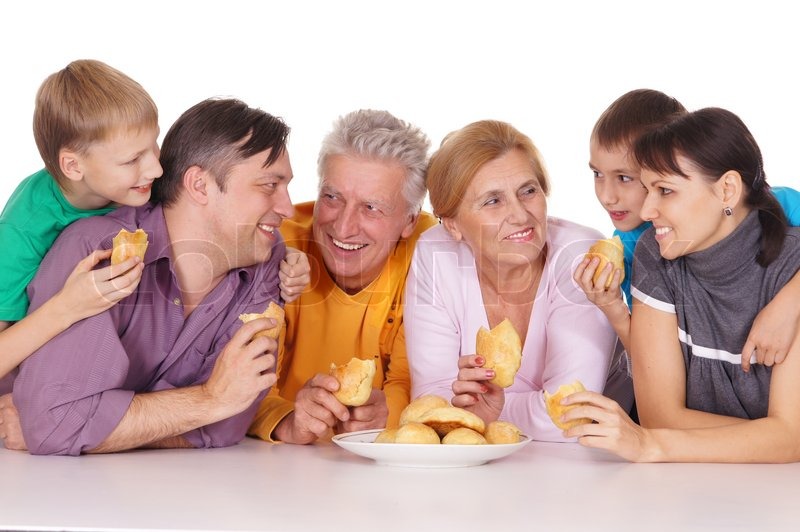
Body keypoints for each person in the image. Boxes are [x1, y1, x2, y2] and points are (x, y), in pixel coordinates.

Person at [2, 97, 293, 455]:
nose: (288, 208)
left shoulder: (268, 260)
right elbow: (55, 425)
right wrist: (208, 399)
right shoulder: (96, 250)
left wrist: (89, 430)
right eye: (269, 185)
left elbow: (227, 424)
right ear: (199, 185)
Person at [563, 107, 800, 462]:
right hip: (688, 482)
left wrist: (650, 444)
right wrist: (765, 437)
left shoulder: (790, 263)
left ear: (727, 190)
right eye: (647, 189)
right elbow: (660, 416)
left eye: (665, 190)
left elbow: (790, 438)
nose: (646, 212)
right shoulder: (654, 253)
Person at [404, 119, 625, 442]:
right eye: (493, 201)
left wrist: (481, 414)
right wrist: (459, 411)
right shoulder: (436, 251)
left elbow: (569, 413)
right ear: (452, 225)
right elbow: (429, 403)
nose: (521, 216)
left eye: (528, 191)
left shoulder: (579, 252)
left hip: (587, 462)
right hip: (486, 464)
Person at [247, 109, 436, 444]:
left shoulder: (432, 254)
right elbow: (239, 383)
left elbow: (418, 380)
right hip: (277, 461)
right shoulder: (276, 244)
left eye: (371, 208)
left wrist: (388, 414)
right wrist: (287, 420)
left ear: (409, 220)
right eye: (332, 197)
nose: (344, 227)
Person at [0, 59, 160, 382]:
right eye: (132, 159)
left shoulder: (139, 182)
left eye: (154, 143)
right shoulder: (22, 231)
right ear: (73, 167)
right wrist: (68, 306)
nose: (156, 168)